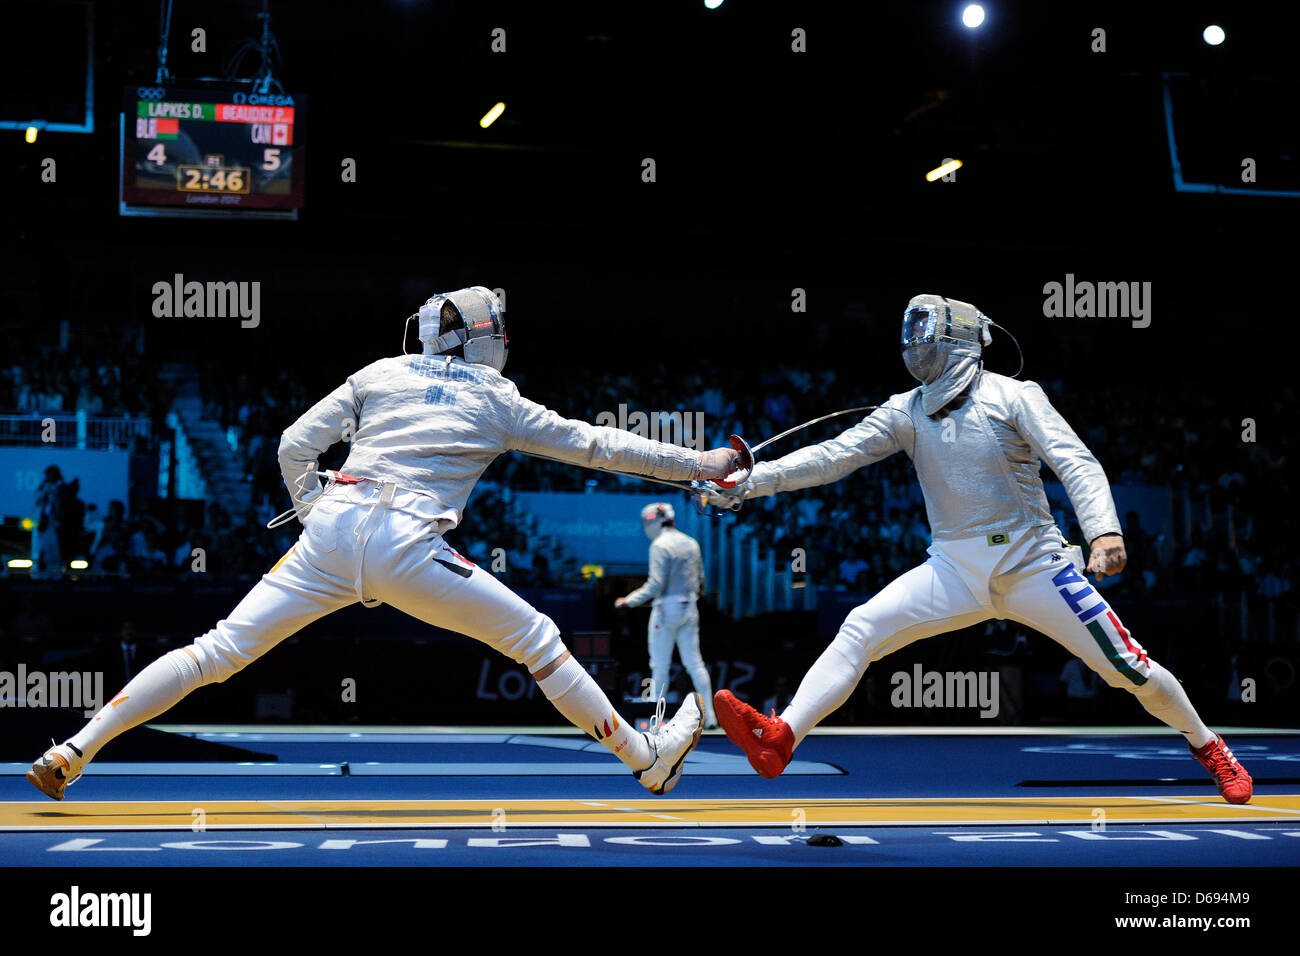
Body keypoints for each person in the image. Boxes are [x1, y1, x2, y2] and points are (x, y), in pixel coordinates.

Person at [29, 286, 742, 801]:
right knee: (538, 639)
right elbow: (595, 445)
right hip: (407, 543)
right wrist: (700, 466)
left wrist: (313, 510)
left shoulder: (381, 372)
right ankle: (645, 760)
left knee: (214, 652)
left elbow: (292, 444)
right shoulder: (497, 399)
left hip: (334, 529)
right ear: (484, 336)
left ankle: (74, 747)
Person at [705, 294, 1253, 804]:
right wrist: (751, 480)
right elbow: (834, 455)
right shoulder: (907, 410)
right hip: (952, 567)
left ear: (961, 338)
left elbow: (1075, 460)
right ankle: (781, 737)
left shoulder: (1014, 395)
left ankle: (1208, 744)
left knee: (1126, 668)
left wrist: (1104, 530)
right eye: (911, 333)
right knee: (862, 627)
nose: (916, 344)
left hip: (1035, 563)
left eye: (926, 332)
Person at [615, 502, 716, 728]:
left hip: (666, 609)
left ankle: (655, 718)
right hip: (690, 607)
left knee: (659, 666)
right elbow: (701, 581)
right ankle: (710, 717)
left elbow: (656, 584)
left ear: (652, 522)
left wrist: (628, 601)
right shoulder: (691, 543)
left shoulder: (660, 545)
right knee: (695, 664)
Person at [32, 465, 64, 578]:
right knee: (38, 552)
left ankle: (56, 578)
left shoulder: (60, 488)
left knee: (53, 553)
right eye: (47, 474)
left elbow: (57, 508)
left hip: (53, 526)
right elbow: (37, 502)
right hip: (41, 525)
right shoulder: (43, 488)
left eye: (51, 474)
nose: (49, 476)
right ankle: (38, 577)